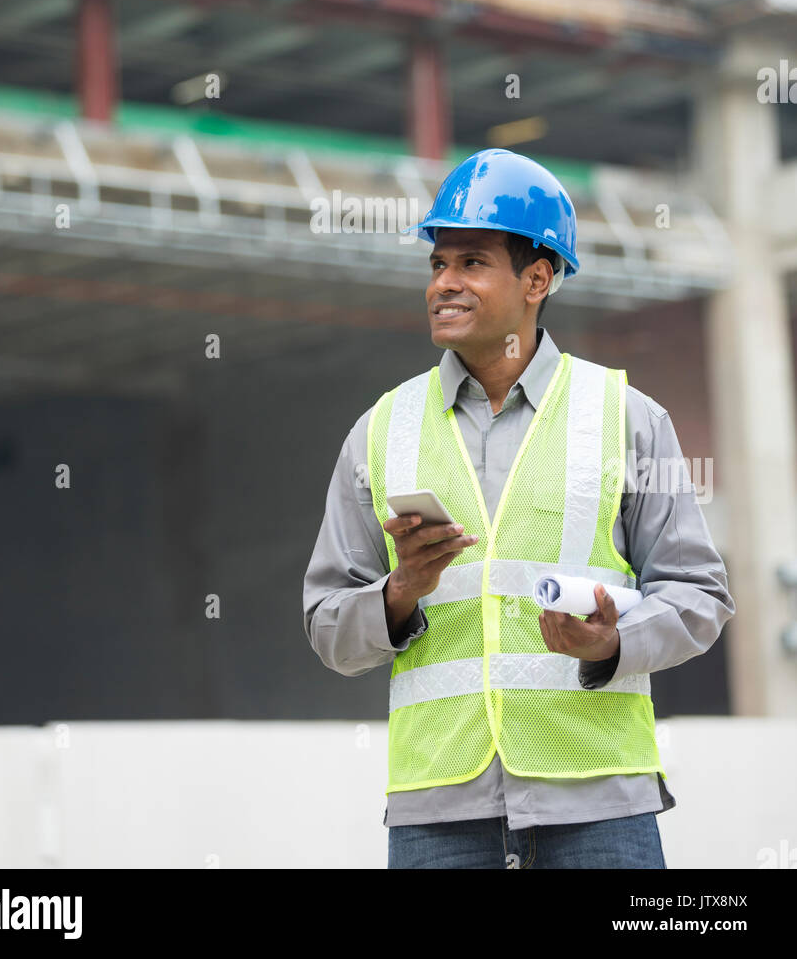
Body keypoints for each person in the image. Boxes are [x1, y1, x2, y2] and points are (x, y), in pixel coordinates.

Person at [303, 148, 735, 870]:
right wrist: (400, 592)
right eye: (437, 264)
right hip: (439, 811)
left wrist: (611, 645)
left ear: (538, 278)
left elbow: (699, 595)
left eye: (471, 262)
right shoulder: (381, 430)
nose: (443, 283)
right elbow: (326, 626)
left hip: (598, 803)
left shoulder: (627, 419)